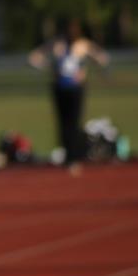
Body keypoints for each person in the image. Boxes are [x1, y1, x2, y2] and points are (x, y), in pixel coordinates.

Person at [29, 22, 108, 167]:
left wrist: (86, 70)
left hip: (76, 88)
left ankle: (74, 155)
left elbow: (101, 57)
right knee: (63, 123)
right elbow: (34, 57)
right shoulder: (57, 45)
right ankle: (67, 154)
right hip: (60, 87)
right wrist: (49, 66)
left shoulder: (82, 45)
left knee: (74, 122)